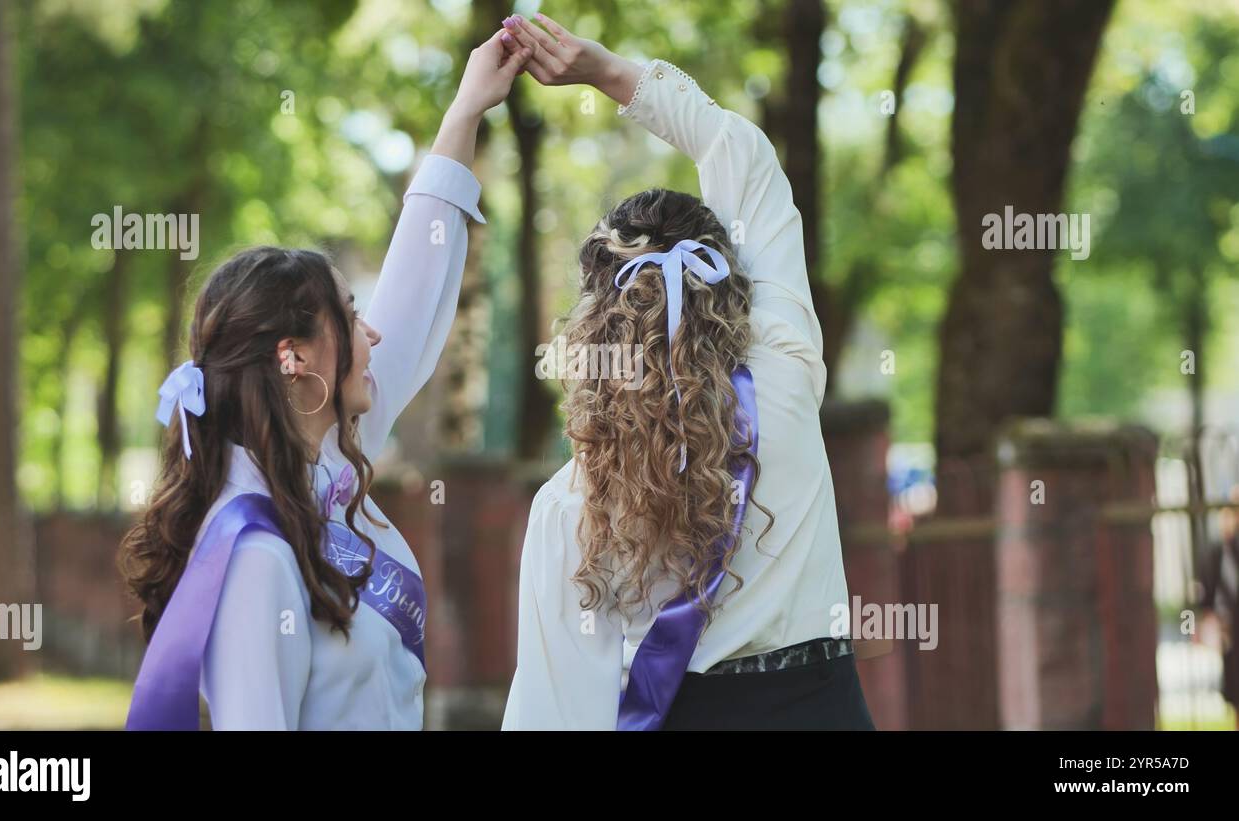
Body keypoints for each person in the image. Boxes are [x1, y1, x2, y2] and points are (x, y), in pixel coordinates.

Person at [119, 33, 532, 730]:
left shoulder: (328, 461)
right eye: (349, 314)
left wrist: (465, 112)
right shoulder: (253, 555)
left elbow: (414, 290)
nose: (371, 332)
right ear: (297, 358)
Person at [497, 13, 875, 730]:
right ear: (728, 280)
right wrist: (605, 70)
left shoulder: (575, 500)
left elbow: (555, 708)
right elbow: (742, 154)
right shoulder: (787, 369)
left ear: (598, 320)